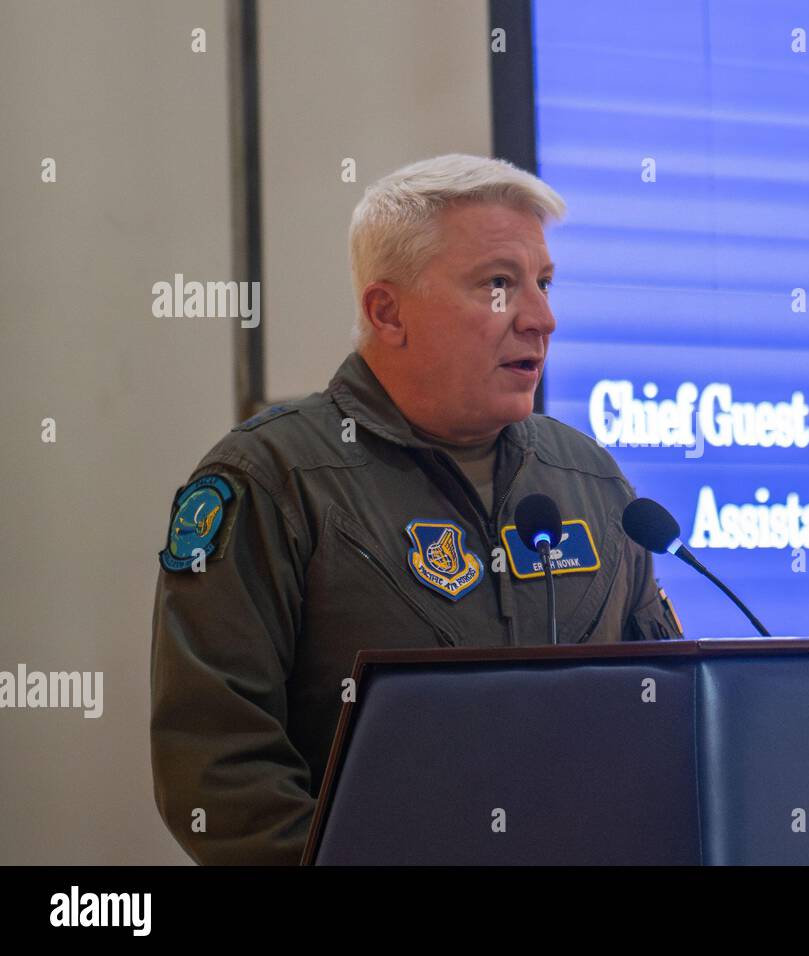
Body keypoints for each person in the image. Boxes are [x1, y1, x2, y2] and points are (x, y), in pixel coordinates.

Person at [149, 154, 686, 865]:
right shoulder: (272, 481)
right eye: (498, 285)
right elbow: (217, 767)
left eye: (544, 283)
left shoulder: (587, 478)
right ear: (387, 312)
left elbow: (666, 715)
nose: (542, 318)